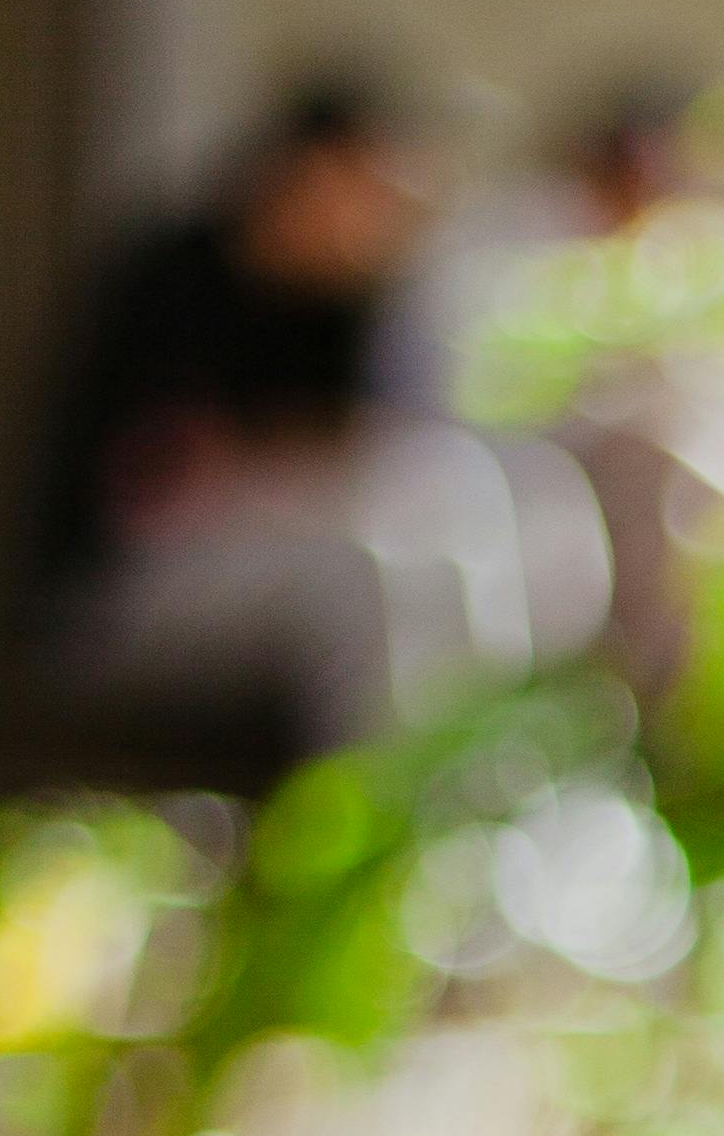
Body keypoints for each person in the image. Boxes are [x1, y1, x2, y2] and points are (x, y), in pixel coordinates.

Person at [31, 76, 606, 752]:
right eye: (377, 192)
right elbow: (161, 490)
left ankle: (491, 792)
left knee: (488, 531)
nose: (390, 219)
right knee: (369, 575)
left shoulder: (362, 310)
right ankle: (380, 823)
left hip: (286, 573)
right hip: (123, 601)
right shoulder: (173, 279)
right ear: (314, 170)